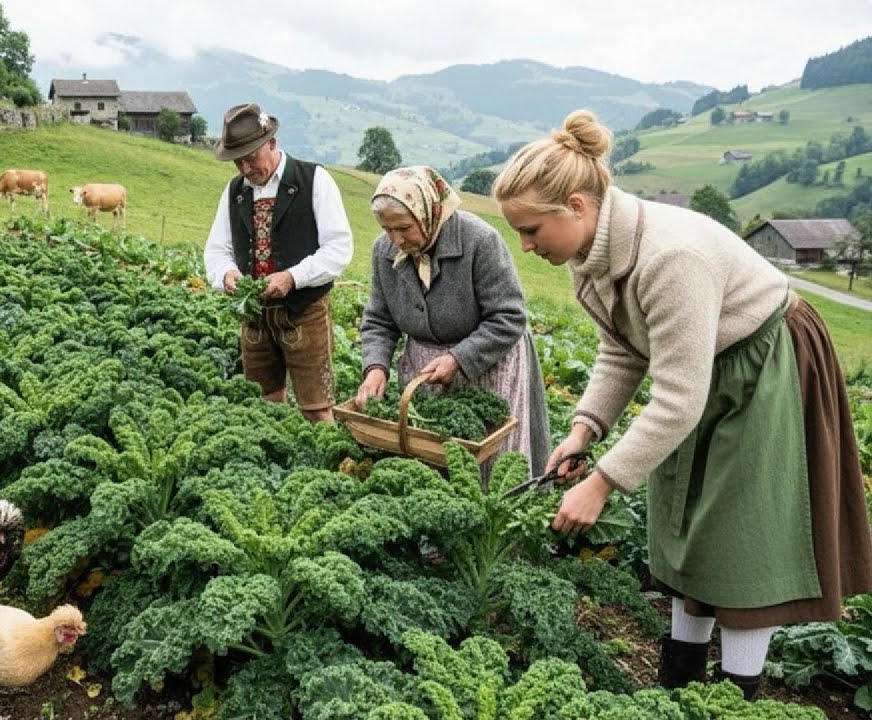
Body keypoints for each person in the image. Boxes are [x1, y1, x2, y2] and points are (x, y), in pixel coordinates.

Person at [492, 109, 872, 700]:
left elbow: (676, 398)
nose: (525, 245)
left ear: (577, 205)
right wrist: (583, 433)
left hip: (764, 364)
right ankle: (679, 681)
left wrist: (600, 486)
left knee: (745, 536)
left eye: (532, 230)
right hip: (700, 375)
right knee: (682, 518)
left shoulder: (671, 259)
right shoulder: (588, 261)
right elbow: (622, 354)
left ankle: (735, 697)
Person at [355, 166, 550, 469]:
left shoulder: (480, 241)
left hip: (486, 362)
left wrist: (458, 359)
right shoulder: (384, 251)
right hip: (423, 367)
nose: (396, 239)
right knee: (429, 456)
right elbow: (380, 320)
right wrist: (376, 368)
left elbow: (509, 316)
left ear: (428, 213)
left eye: (404, 228)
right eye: (387, 229)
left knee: (489, 458)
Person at [204, 102, 354, 422]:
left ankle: (323, 468)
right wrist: (226, 273)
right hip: (255, 318)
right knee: (264, 406)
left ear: (272, 143)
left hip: (304, 311)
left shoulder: (314, 180)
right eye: (237, 162)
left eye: (251, 158)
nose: (245, 169)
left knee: (316, 408)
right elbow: (217, 250)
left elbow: (339, 248)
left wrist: (292, 277)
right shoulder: (234, 192)